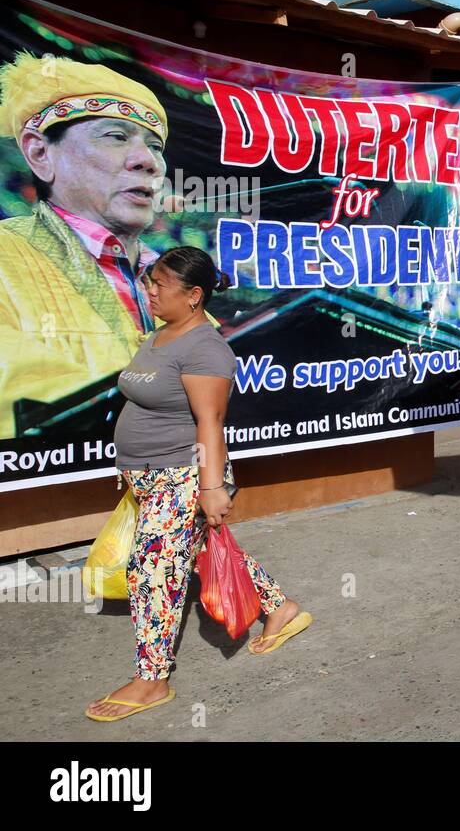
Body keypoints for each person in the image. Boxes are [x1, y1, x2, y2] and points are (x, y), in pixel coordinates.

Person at [85, 247, 311, 722]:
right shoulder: (159, 336)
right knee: (205, 550)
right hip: (150, 475)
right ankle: (281, 607)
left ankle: (152, 680)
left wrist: (211, 489)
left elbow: (211, 423)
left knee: (151, 572)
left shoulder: (206, 349)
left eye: (158, 285)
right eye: (148, 282)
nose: (148, 291)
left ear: (193, 296)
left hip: (186, 474)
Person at [0, 53, 169, 439]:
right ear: (40, 153)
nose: (149, 162)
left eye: (156, 146)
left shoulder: (168, 273)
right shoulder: (5, 256)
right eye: (116, 136)